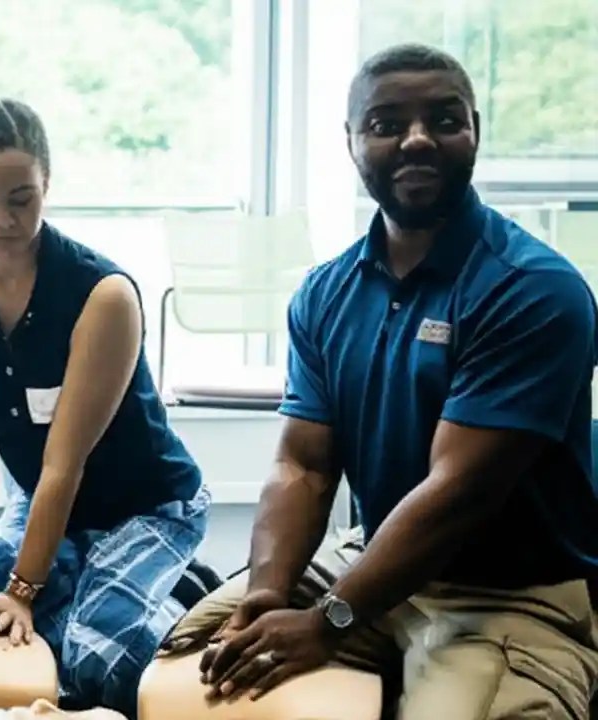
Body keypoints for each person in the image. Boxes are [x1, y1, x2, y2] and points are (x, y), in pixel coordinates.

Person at [156, 43, 598, 719]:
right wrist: (270, 592)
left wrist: (330, 621)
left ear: (474, 129)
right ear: (353, 141)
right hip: (367, 558)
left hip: (506, 592)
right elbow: (303, 465)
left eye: (443, 120)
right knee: (186, 669)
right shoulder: (326, 292)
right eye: (388, 123)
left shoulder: (534, 290)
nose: (417, 139)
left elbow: (459, 493)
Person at [0, 97, 211, 716]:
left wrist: (25, 590)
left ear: (47, 184)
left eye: (21, 198)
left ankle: (180, 597)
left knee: (101, 655)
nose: (2, 221)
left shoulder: (105, 294)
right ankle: (121, 594)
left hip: (146, 503)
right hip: (38, 498)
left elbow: (66, 463)